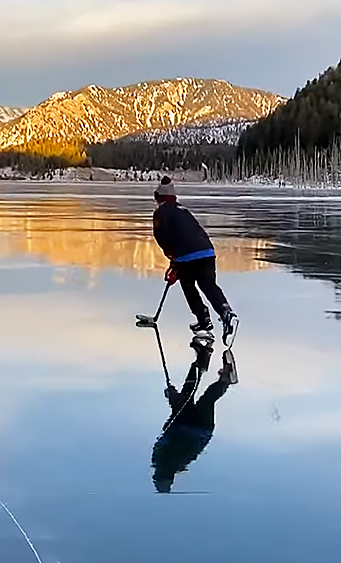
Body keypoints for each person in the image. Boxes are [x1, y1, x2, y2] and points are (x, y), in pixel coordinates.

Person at [152, 176, 239, 342]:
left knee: (188, 286)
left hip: (187, 256)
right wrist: (175, 264)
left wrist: (174, 262)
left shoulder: (160, 213)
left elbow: (162, 238)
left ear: (159, 198)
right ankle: (226, 312)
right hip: (207, 252)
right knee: (208, 285)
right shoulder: (183, 210)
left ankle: (203, 320)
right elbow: (192, 234)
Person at [151, 337, 237, 494]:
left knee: (203, 398)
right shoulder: (166, 461)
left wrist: (174, 403)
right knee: (195, 395)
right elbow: (169, 434)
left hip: (200, 430)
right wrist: (174, 402)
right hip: (191, 428)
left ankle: (210, 365)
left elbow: (167, 434)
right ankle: (205, 359)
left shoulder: (173, 463)